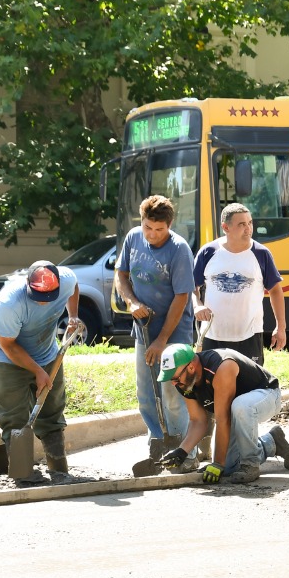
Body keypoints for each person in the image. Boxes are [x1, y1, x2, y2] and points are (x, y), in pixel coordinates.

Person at [114, 195, 196, 463]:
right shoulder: (133, 238)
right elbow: (121, 274)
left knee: (173, 395)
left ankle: (185, 452)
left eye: (159, 229)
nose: (151, 234)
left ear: (169, 225)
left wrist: (162, 340)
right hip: (143, 330)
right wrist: (131, 302)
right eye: (147, 227)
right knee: (146, 393)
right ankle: (158, 442)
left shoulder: (179, 249)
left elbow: (182, 297)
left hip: (173, 335)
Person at [0, 260, 80, 482]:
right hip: (7, 360)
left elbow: (74, 286)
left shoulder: (66, 279)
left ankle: (59, 469)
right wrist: (38, 371)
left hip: (47, 354)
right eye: (38, 297)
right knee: (15, 417)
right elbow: (8, 345)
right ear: (28, 285)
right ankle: (23, 474)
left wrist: (73, 315)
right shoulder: (9, 303)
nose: (43, 302)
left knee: (52, 413)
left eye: (49, 297)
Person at [156, 344, 289, 485]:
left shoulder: (221, 367)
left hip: (267, 396)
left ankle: (250, 464)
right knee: (229, 467)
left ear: (191, 367)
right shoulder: (185, 381)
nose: (174, 383)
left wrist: (217, 463)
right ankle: (272, 442)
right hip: (237, 411)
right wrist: (181, 451)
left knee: (240, 406)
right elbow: (198, 421)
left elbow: (223, 420)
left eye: (175, 378)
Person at [192, 203, 287, 364]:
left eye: (250, 223)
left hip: (250, 336)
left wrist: (281, 327)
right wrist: (197, 305)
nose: (248, 229)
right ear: (225, 227)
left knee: (250, 380)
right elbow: (192, 287)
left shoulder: (261, 253)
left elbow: (276, 290)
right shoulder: (208, 252)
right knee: (213, 380)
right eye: (242, 224)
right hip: (212, 335)